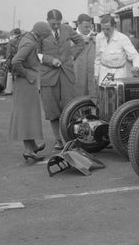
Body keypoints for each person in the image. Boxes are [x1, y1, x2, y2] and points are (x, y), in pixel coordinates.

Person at [40, 9, 85, 150]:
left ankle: (70, 138)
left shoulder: (67, 29)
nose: (55, 26)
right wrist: (50, 60)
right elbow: (36, 53)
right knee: (52, 110)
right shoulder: (40, 32)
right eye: (53, 24)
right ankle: (58, 140)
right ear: (47, 20)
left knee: (71, 107)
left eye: (58, 23)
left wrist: (72, 56)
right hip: (48, 75)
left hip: (66, 74)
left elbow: (80, 43)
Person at [9, 22, 51, 161]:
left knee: (28, 115)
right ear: (39, 35)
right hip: (27, 83)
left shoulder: (27, 38)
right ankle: (28, 150)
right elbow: (16, 61)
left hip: (24, 84)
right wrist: (26, 74)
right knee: (27, 115)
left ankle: (32, 146)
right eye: (43, 37)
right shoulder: (30, 44)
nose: (43, 40)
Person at [94, 15, 139, 84]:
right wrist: (96, 74)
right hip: (104, 72)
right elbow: (97, 58)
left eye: (107, 29)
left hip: (119, 73)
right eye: (103, 29)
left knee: (118, 92)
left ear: (113, 26)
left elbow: (135, 55)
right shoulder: (99, 37)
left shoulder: (122, 38)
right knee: (104, 93)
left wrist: (136, 66)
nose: (105, 31)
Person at [74, 14, 97, 98]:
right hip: (77, 73)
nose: (88, 29)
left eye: (90, 27)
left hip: (93, 72)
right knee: (77, 99)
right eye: (86, 27)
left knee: (93, 97)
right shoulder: (70, 38)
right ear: (78, 24)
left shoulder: (96, 37)